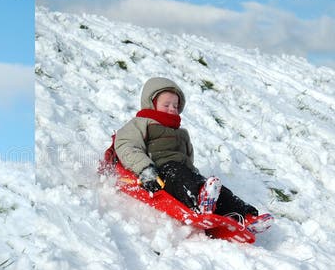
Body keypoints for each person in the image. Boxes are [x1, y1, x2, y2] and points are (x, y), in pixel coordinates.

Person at [113, 76, 273, 233]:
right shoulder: (141, 123)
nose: (171, 109)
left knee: (215, 189)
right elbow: (126, 145)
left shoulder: (180, 132)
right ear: (151, 104)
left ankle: (245, 216)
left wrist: (196, 175)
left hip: (184, 172)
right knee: (179, 175)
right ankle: (199, 201)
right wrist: (145, 169)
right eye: (166, 104)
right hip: (160, 172)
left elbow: (187, 158)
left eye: (175, 106)